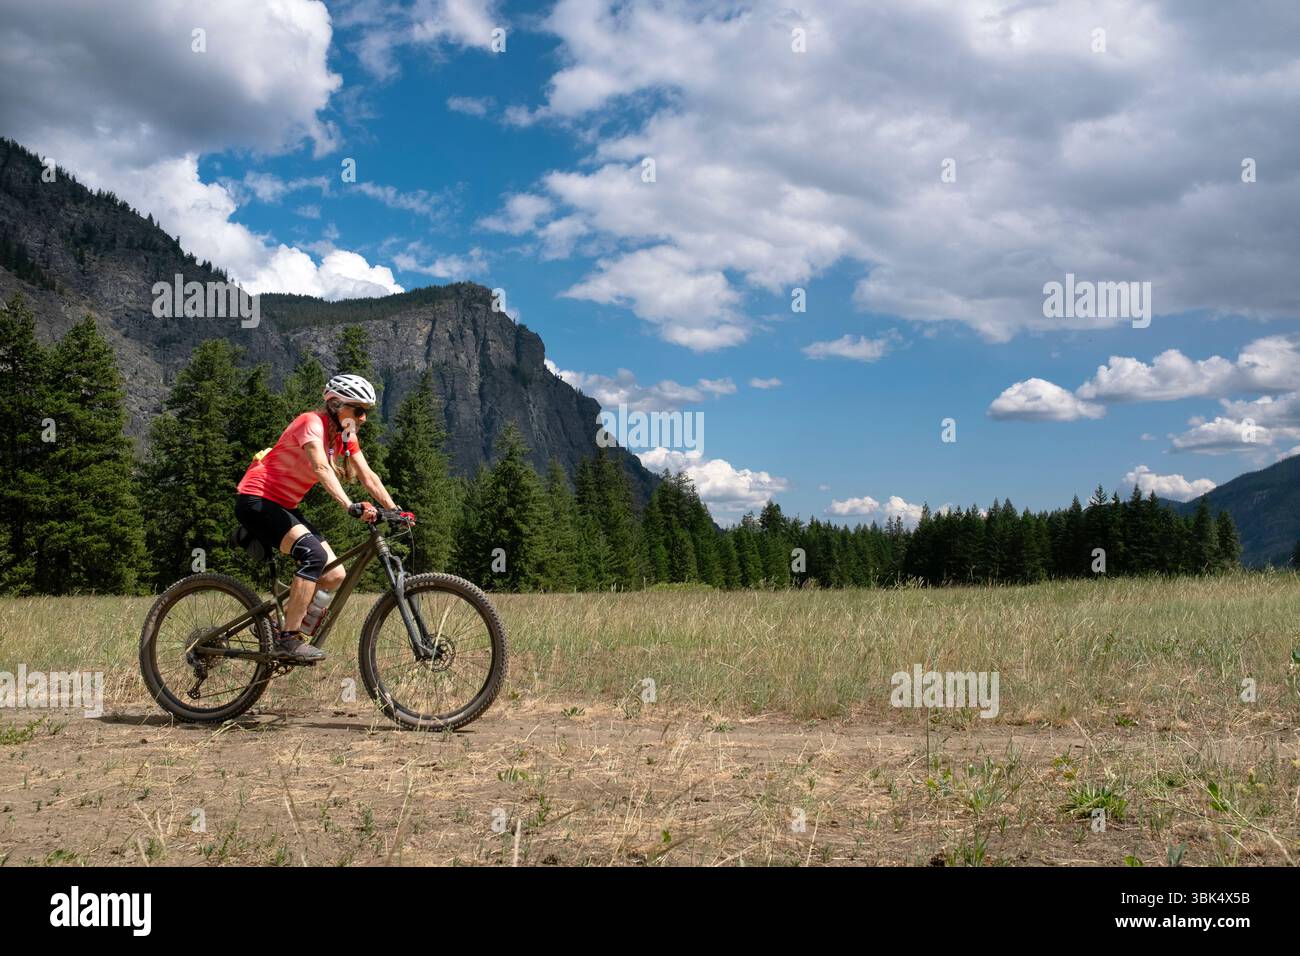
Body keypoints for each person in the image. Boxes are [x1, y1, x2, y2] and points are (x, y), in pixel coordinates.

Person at [234, 373, 405, 660]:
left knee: (334, 573)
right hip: (257, 500)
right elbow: (321, 469)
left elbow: (367, 475)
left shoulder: (345, 435)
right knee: (312, 556)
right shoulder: (310, 423)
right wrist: (349, 506)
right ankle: (288, 638)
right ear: (337, 405)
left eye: (367, 412)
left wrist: (395, 509)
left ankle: (277, 626)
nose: (363, 418)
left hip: (284, 506)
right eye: (359, 410)